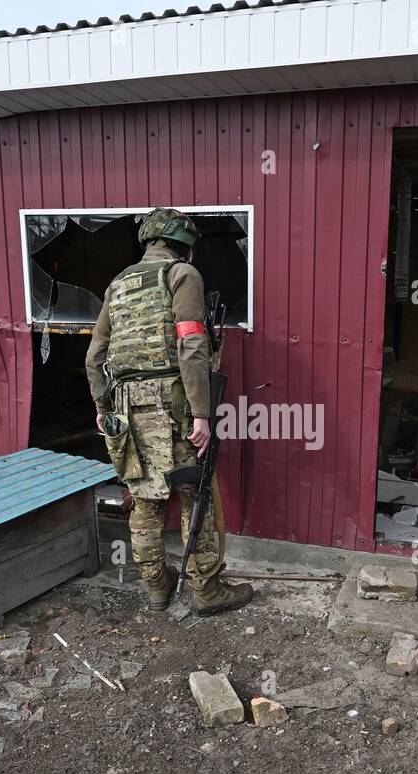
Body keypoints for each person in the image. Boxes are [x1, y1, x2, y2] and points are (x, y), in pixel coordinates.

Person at [85, 207, 253, 616]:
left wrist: (102, 406)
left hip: (124, 412)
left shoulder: (118, 284)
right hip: (172, 406)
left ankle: (157, 589)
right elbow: (192, 346)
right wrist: (201, 414)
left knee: (144, 501)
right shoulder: (182, 275)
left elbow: (95, 356)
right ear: (184, 243)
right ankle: (206, 589)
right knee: (194, 494)